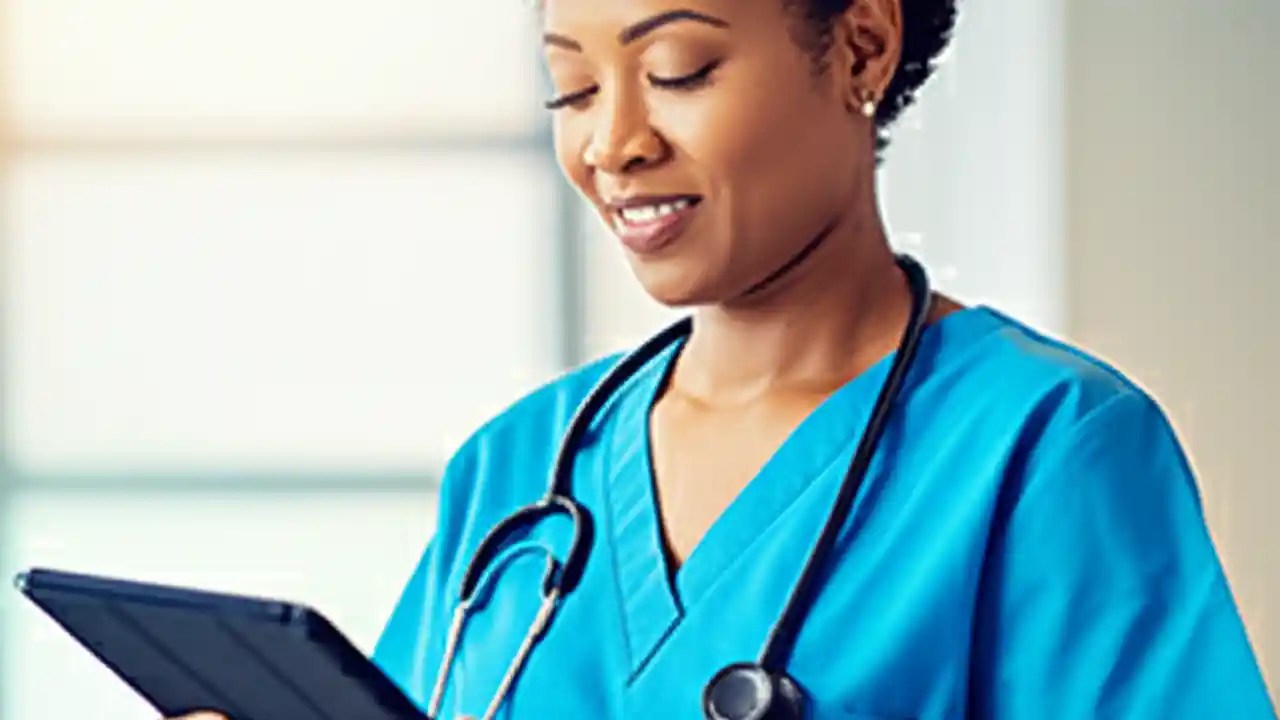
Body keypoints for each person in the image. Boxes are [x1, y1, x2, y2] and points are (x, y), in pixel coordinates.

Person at [171, 0, 1275, 717]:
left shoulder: (1042, 448)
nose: (612, 144)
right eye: (572, 88)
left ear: (859, 47)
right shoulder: (517, 468)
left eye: (680, 69)